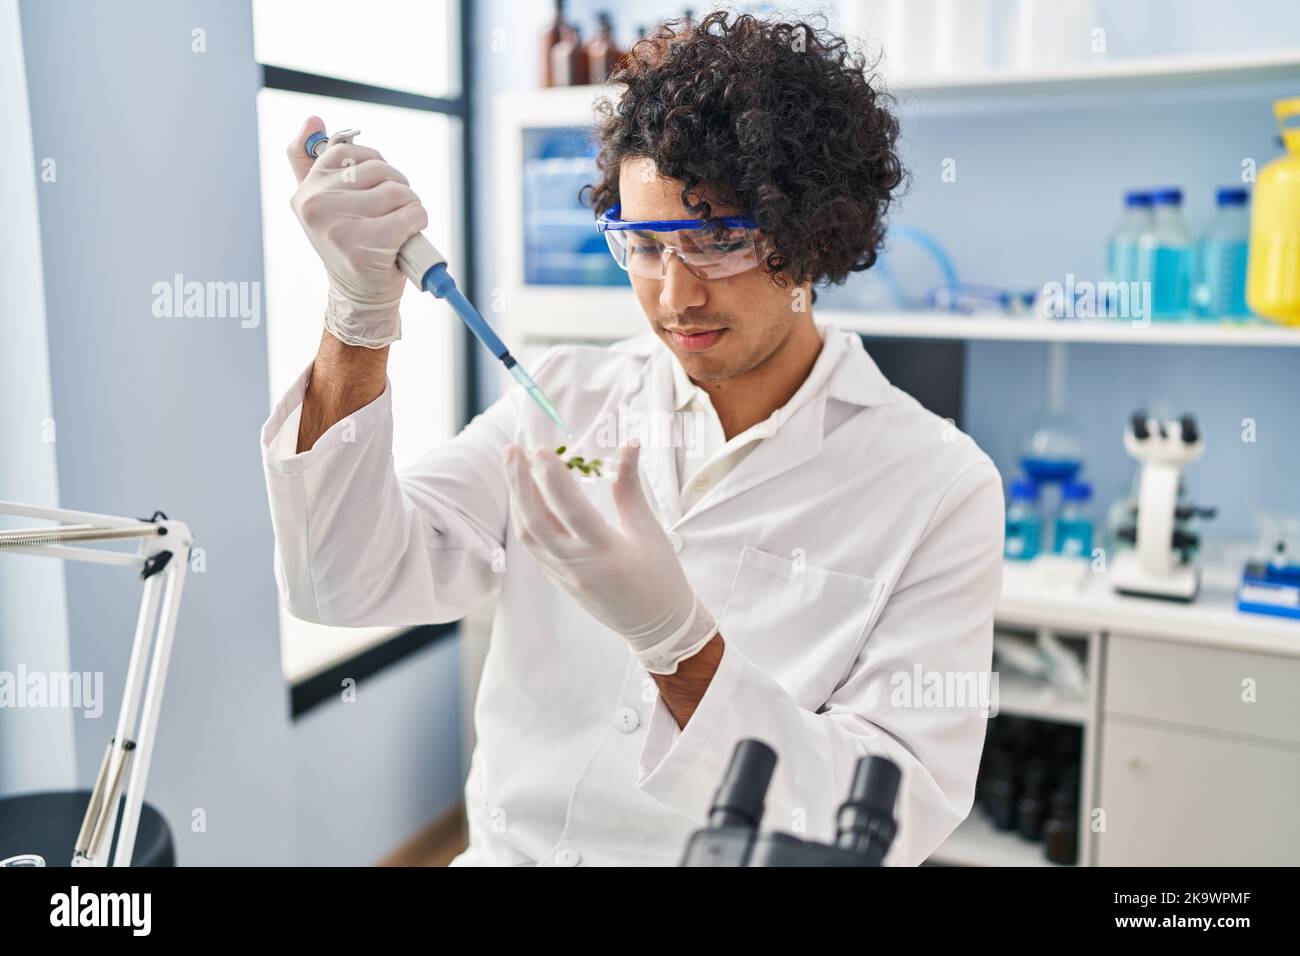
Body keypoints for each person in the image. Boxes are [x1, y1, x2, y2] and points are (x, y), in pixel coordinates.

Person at [262, 11, 1004, 866]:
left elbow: (893, 811)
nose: (674, 295)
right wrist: (357, 318)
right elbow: (340, 585)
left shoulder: (938, 485)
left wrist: (681, 647)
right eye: (643, 246)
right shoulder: (563, 398)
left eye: (720, 239)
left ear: (815, 240)